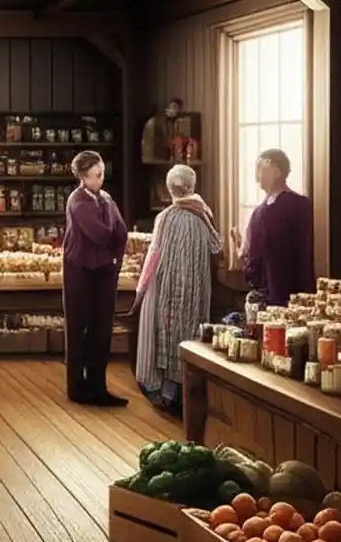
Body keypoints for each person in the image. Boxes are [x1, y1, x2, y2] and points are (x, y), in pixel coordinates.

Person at [134, 164, 220, 413]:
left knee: (171, 337)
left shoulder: (166, 217)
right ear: (192, 187)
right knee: (192, 335)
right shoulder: (203, 214)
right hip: (197, 289)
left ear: (169, 190)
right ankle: (189, 394)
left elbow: (154, 255)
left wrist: (142, 289)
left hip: (170, 289)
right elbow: (216, 249)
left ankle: (170, 395)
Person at [63, 150, 129, 407]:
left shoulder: (107, 198)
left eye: (102, 172)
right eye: (96, 173)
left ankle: (98, 387)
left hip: (104, 270)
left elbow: (121, 232)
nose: (102, 177)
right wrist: (113, 243)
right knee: (78, 327)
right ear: (83, 176)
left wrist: (113, 255)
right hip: (79, 270)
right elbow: (100, 234)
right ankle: (77, 388)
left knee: (102, 329)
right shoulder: (77, 200)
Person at [230, 148, 314, 306]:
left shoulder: (268, 212)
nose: (257, 177)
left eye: (260, 170)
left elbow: (255, 261)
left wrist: (242, 255)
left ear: (276, 171)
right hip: (295, 294)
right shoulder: (303, 204)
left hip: (278, 293)